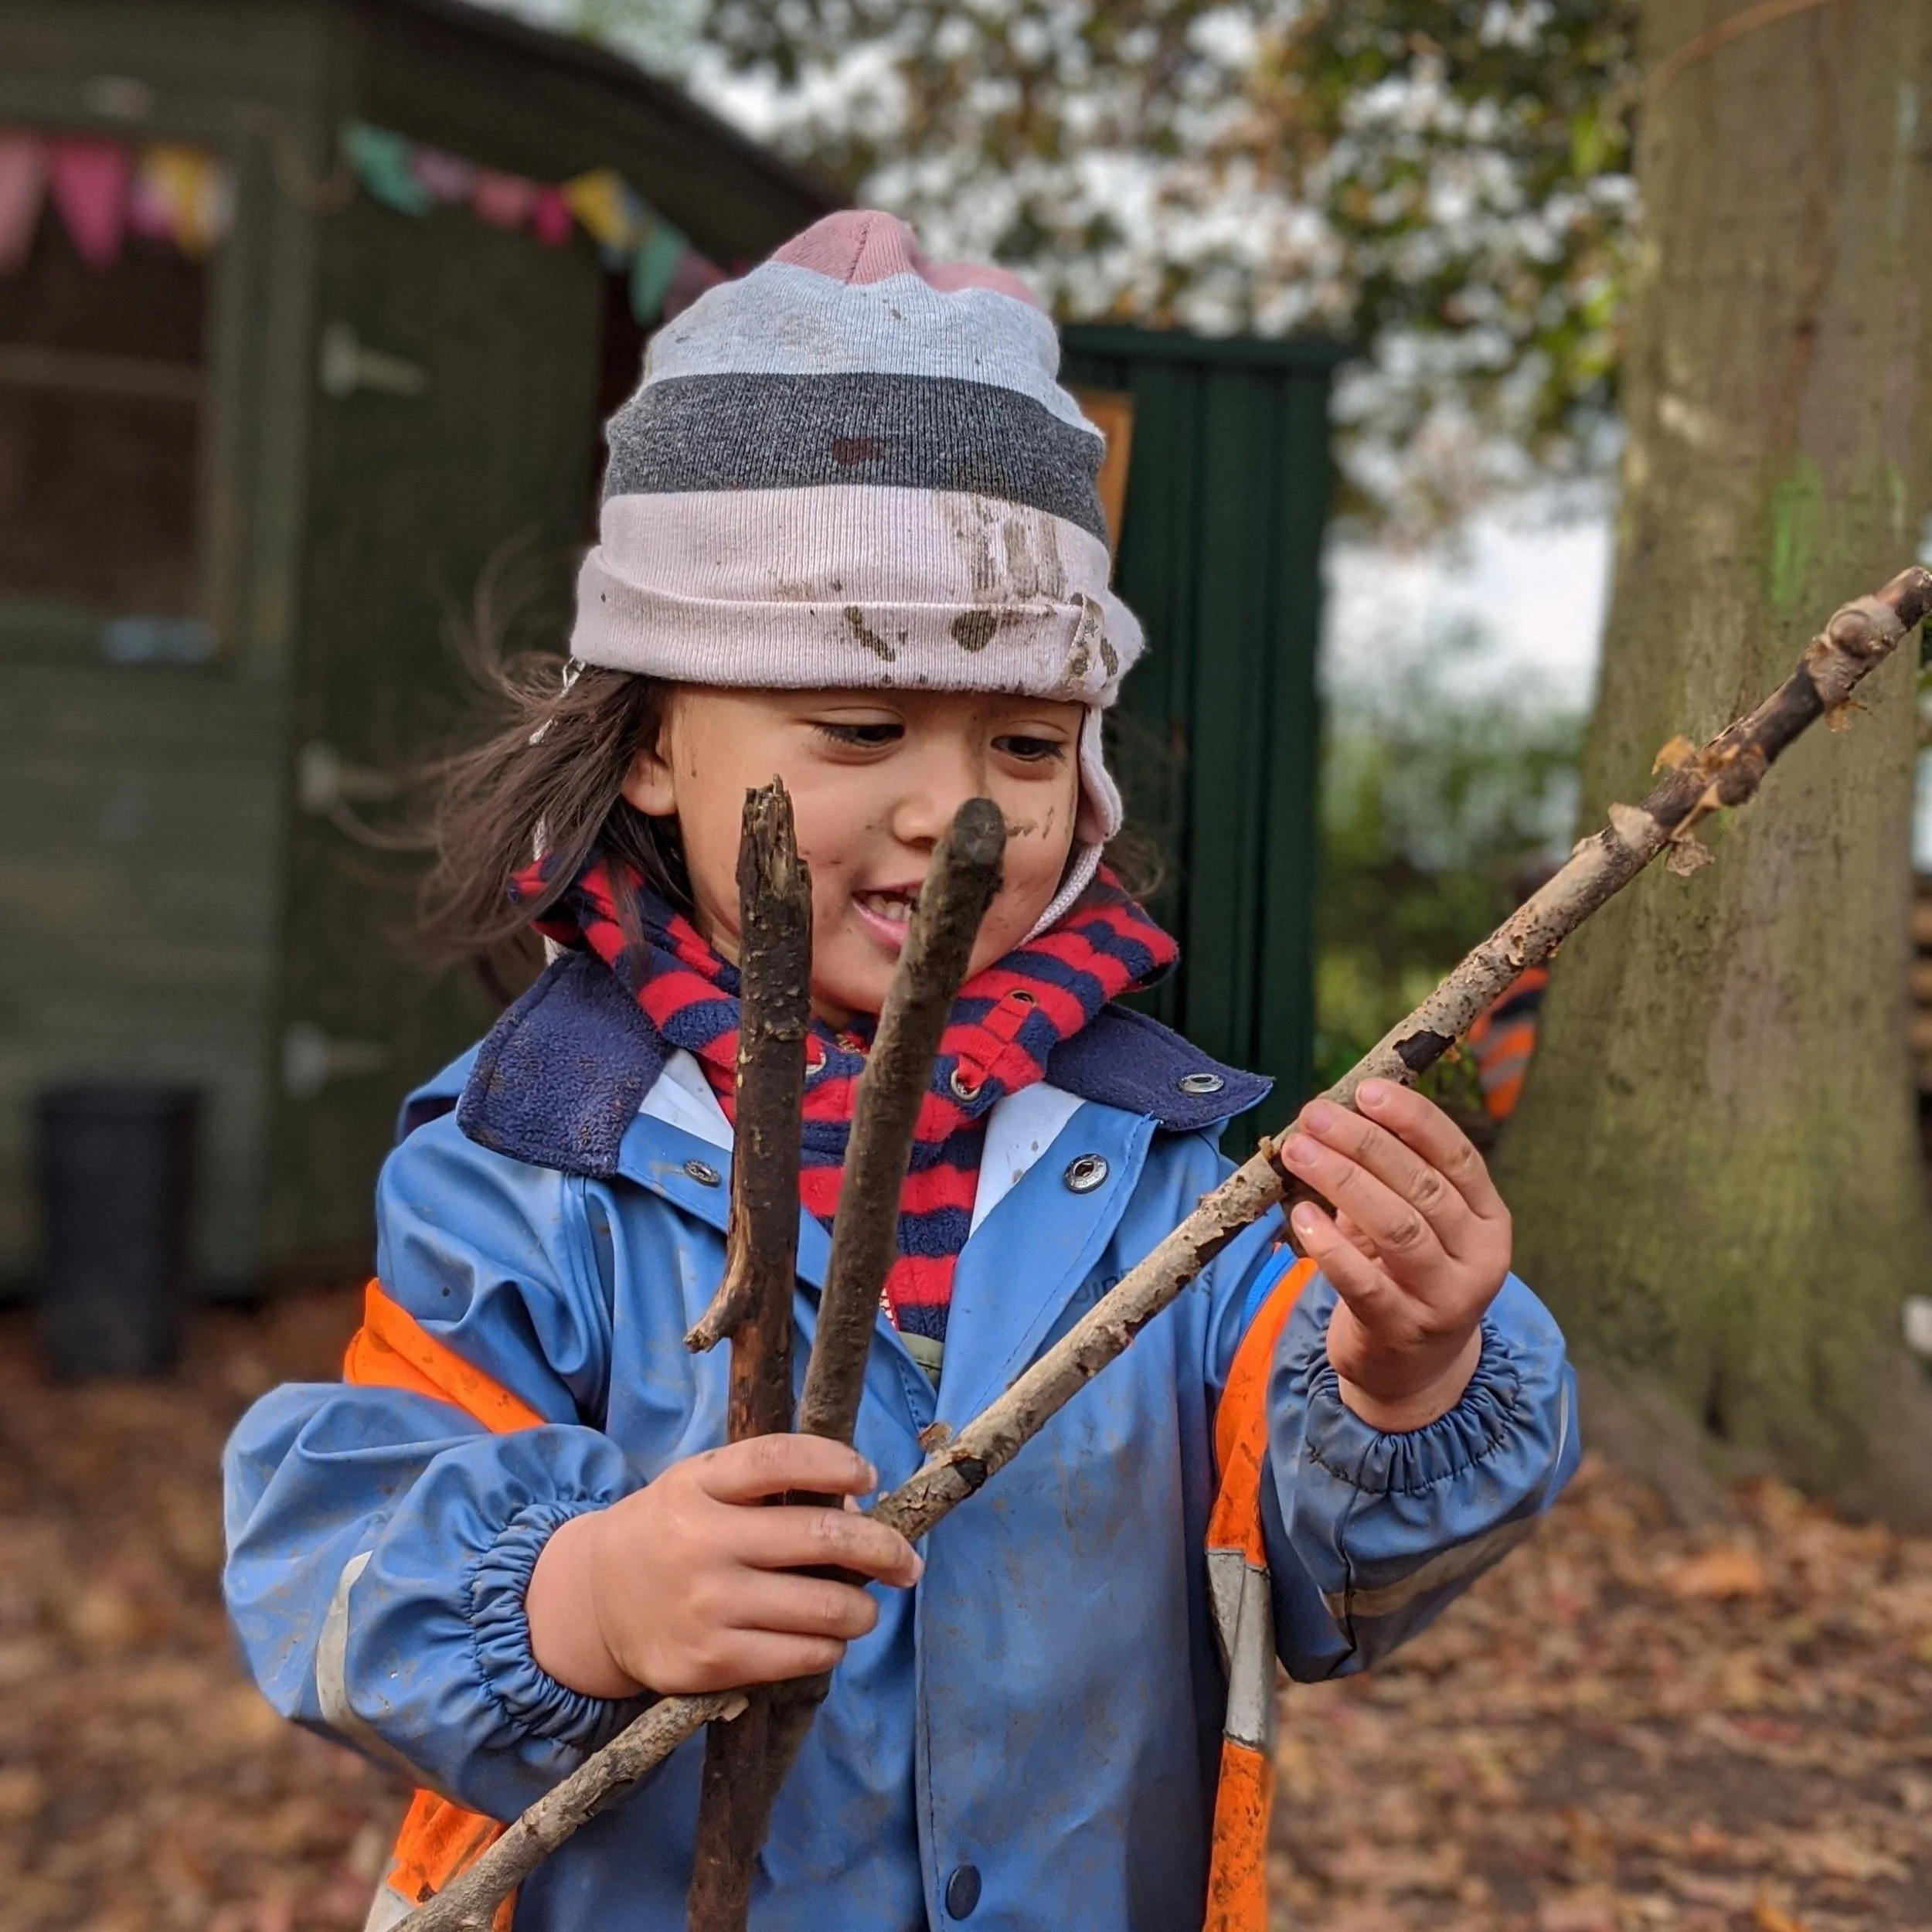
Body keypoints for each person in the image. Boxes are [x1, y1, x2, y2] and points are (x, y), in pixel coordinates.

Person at [223, 211, 1578, 1932]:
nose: (959, 812)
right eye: (861, 730)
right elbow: (328, 1556)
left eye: (1023, 742)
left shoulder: (1174, 1169)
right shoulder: (535, 1154)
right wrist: (584, 1593)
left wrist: (1409, 1365)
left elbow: (1339, 1576)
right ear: (649, 742)